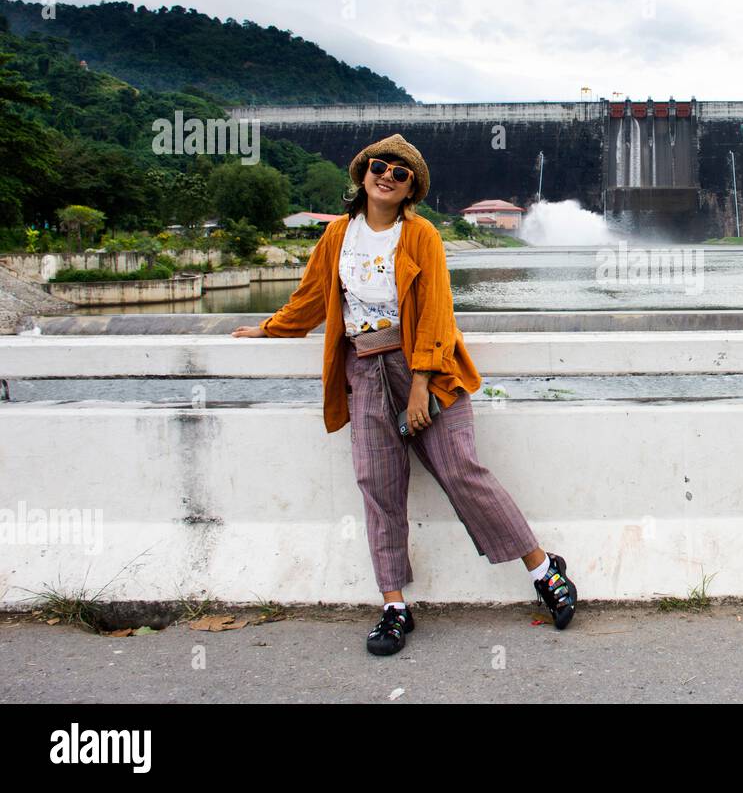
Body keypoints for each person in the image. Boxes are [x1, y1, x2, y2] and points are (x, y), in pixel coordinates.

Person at [231, 133, 576, 656]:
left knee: (460, 470)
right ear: (362, 173)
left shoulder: (421, 236)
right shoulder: (336, 238)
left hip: (427, 371)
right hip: (364, 370)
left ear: (411, 188)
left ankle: (545, 571)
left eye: (401, 172)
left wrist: (420, 386)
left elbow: (437, 310)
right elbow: (311, 299)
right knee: (378, 485)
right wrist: (271, 328)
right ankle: (394, 607)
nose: (386, 175)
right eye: (378, 165)